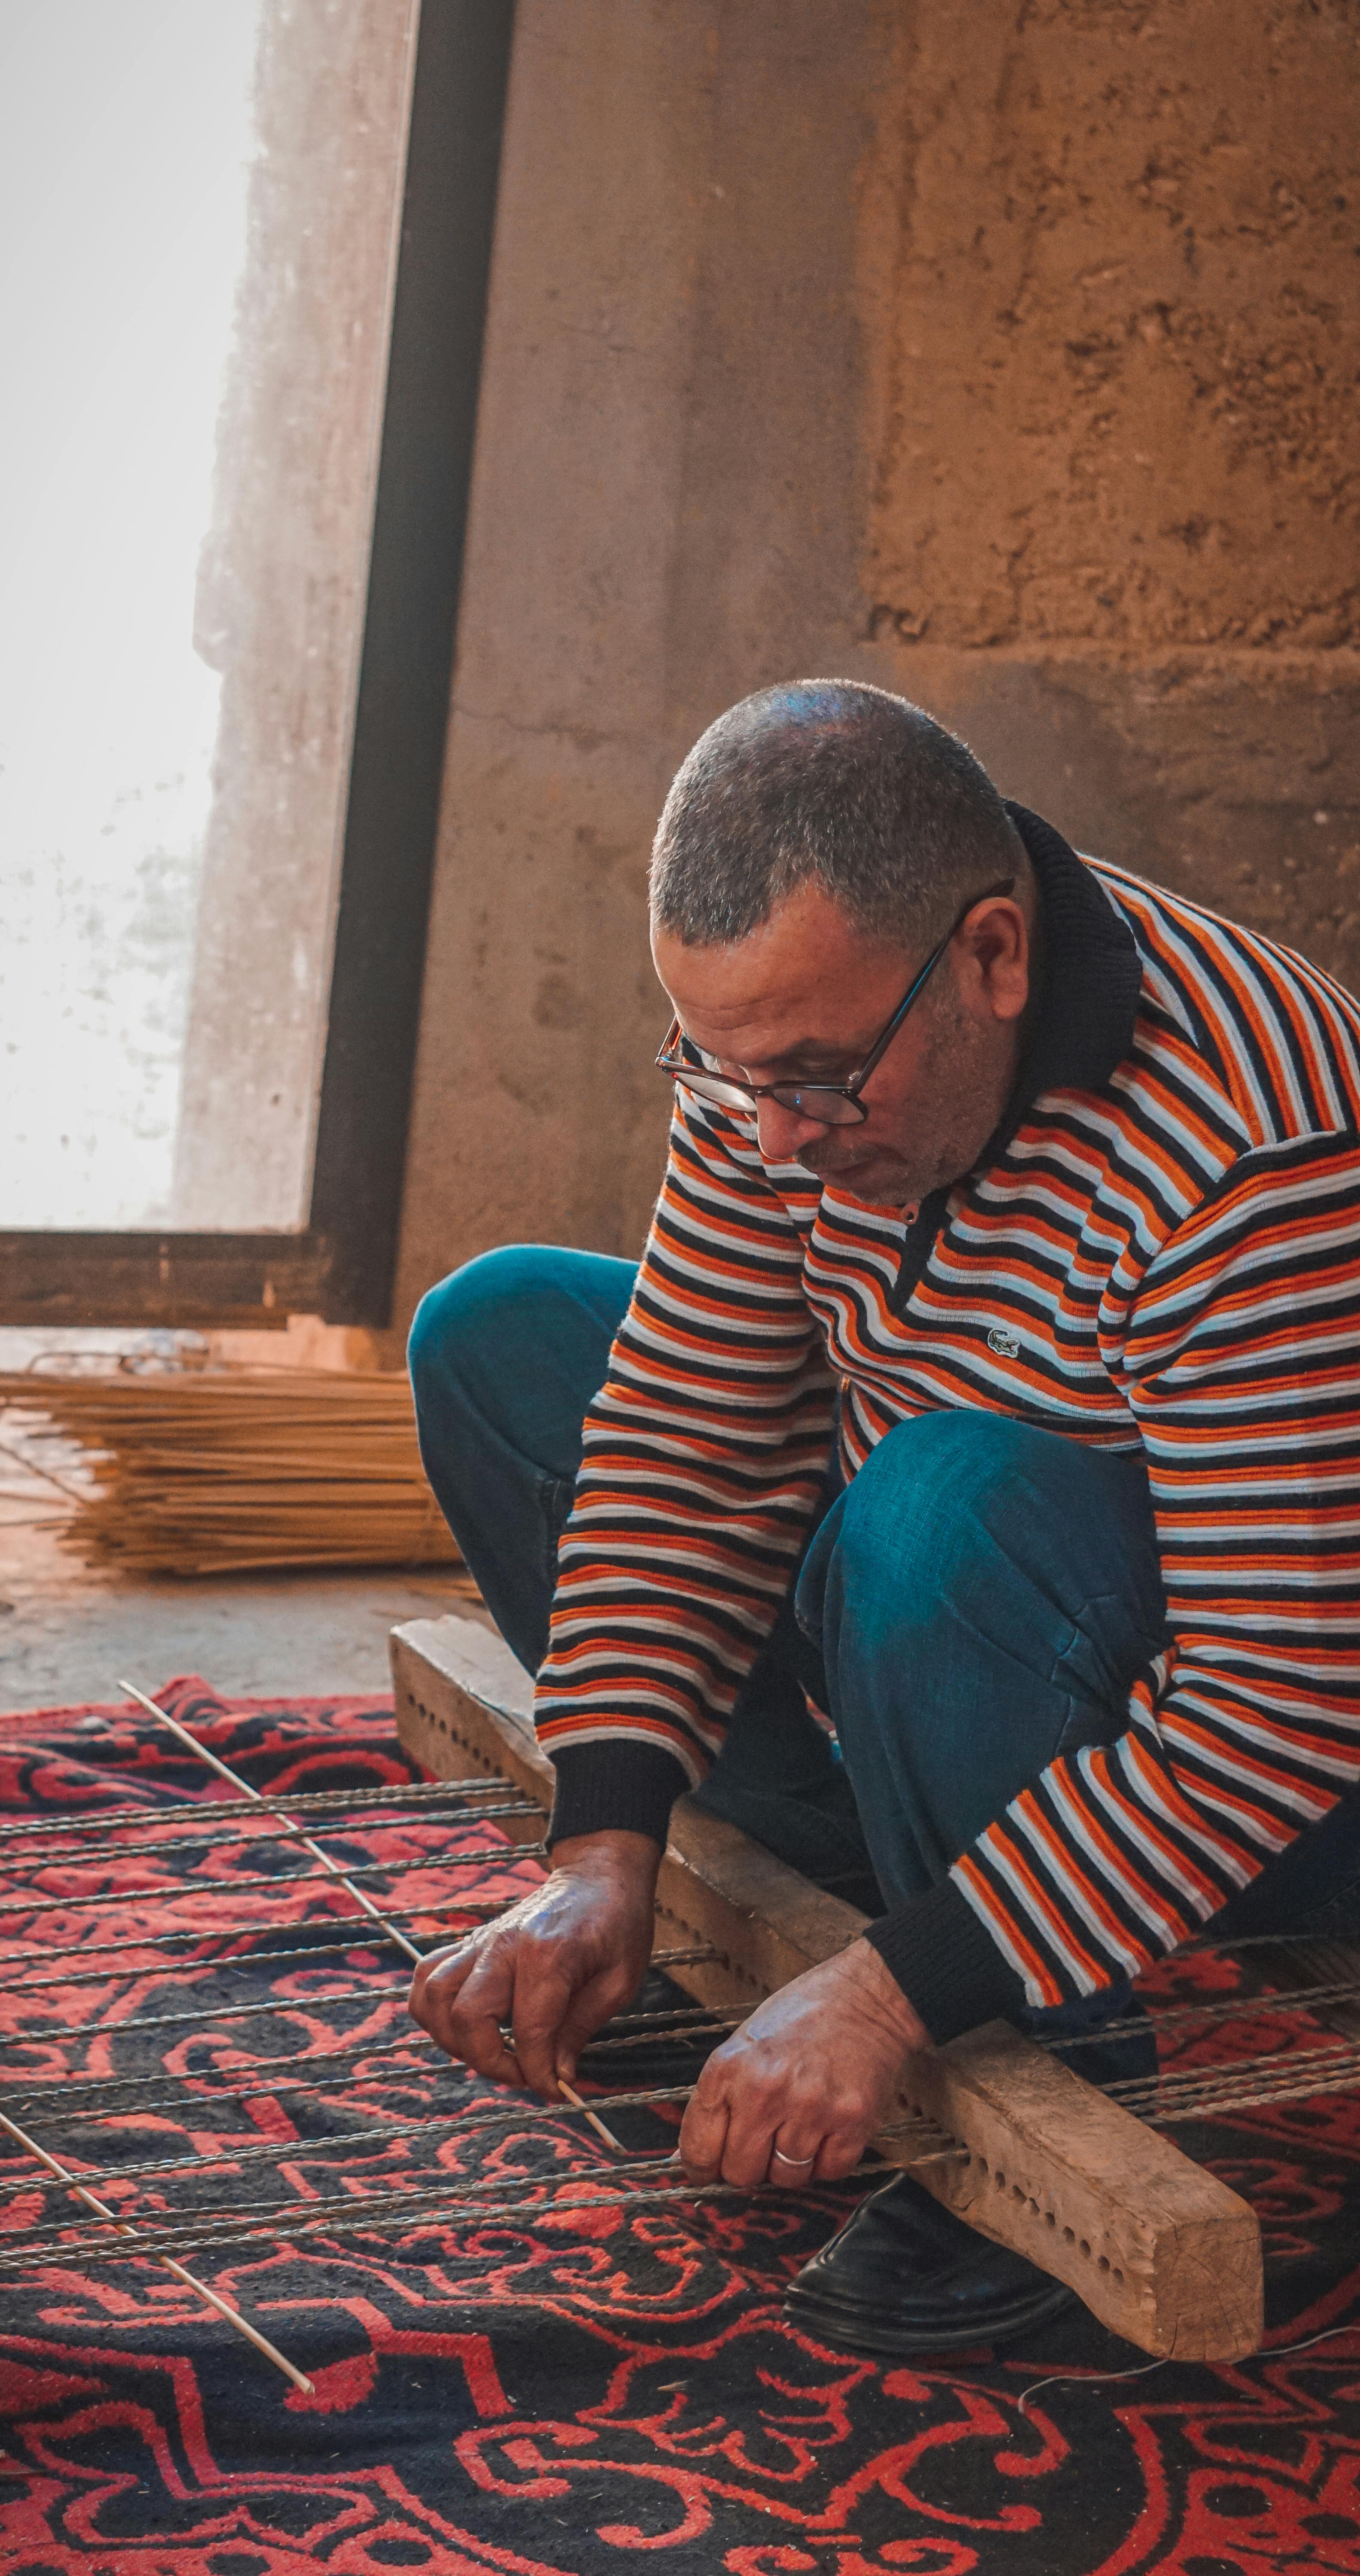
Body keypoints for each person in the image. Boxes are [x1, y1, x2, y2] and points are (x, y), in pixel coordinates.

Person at [406, 680, 1360, 2355]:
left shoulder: (1255, 1140)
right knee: (495, 1339)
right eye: (722, 1073)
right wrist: (604, 1850)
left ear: (992, 957)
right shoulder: (786, 1075)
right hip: (973, 1635)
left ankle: (1026, 2049)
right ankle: (834, 1904)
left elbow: (1281, 1703)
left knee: (938, 1500)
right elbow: (689, 1438)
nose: (771, 1136)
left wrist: (887, 1994)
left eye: (817, 1077)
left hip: (1281, 1759)